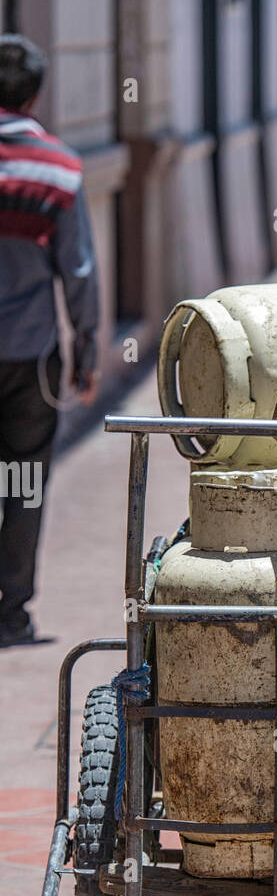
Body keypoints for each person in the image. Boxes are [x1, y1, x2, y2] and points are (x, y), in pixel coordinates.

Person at [0, 33, 99, 648]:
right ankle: (11, 611)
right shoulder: (58, 168)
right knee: (22, 482)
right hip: (29, 358)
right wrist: (86, 353)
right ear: (37, 94)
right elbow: (79, 271)